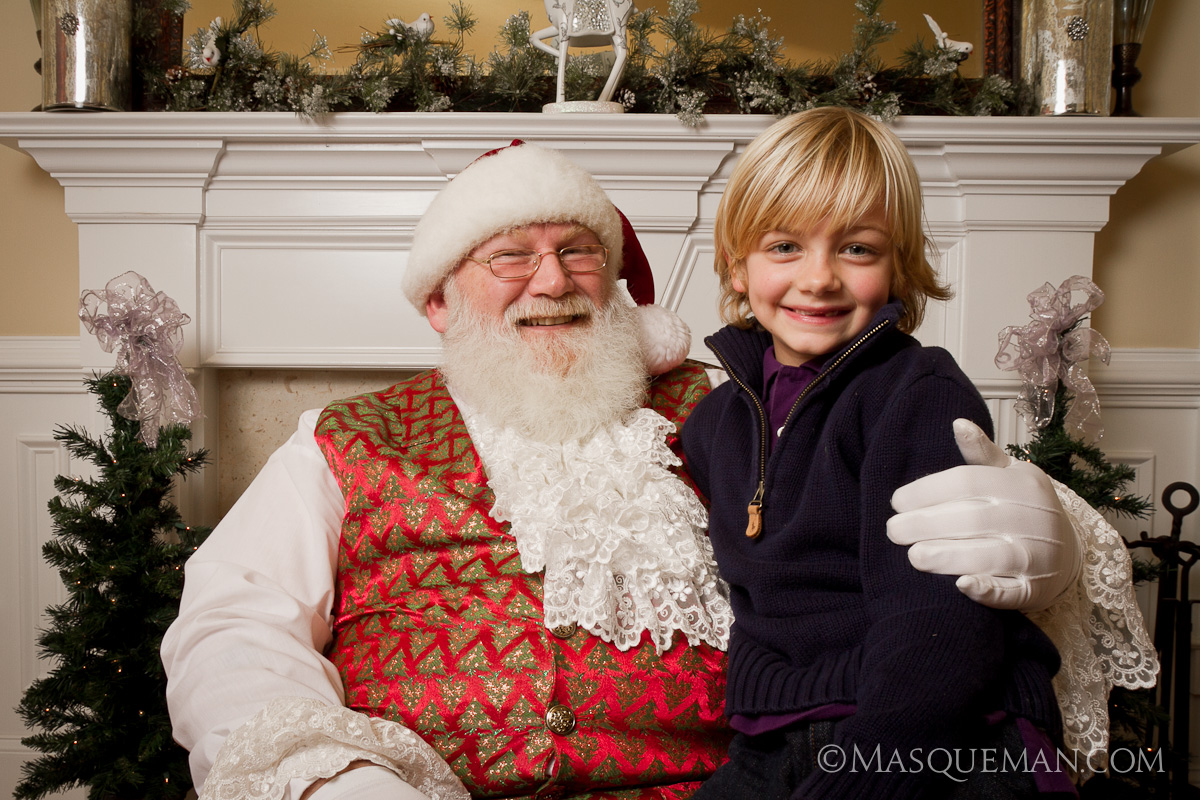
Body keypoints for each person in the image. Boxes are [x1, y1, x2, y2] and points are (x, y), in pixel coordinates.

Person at [162, 140, 1087, 800]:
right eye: (509, 257)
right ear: (440, 301)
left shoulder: (729, 407)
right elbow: (231, 626)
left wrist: (1046, 528)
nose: (554, 280)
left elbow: (896, 494)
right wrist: (340, 782)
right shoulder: (344, 439)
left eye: (578, 253)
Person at [681, 108, 1076, 799]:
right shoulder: (714, 423)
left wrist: (867, 772)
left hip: (942, 731)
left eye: (857, 249)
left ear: (899, 267)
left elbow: (940, 619)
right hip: (776, 733)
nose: (819, 277)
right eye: (784, 247)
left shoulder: (917, 393)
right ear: (736, 265)